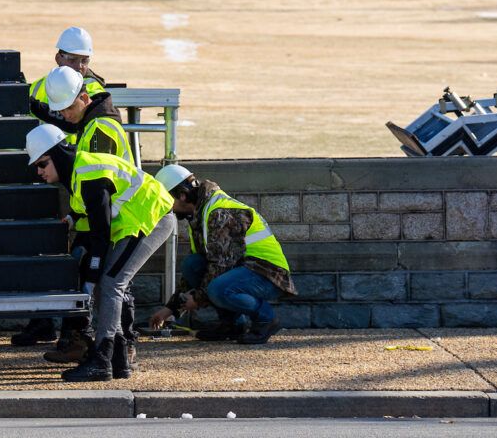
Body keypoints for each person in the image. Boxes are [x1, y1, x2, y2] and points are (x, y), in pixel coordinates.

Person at [25, 123, 176, 381]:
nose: (39, 171)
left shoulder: (87, 174)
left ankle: (102, 359)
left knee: (111, 284)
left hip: (151, 219)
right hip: (140, 222)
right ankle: (117, 360)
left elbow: (101, 233)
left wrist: (92, 274)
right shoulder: (78, 176)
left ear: (57, 156)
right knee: (109, 285)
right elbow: (93, 218)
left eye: (42, 164)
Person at [13, 29, 111, 351]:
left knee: (89, 264)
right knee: (52, 255)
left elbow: (76, 130)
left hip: (78, 182)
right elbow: (61, 123)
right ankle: (47, 322)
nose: (81, 66)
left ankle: (86, 338)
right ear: (59, 57)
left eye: (85, 60)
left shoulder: (92, 92)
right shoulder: (45, 85)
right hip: (53, 176)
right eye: (74, 59)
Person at [37, 66, 140, 365]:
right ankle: (82, 340)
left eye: (69, 108)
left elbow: (99, 189)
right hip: (100, 219)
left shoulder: (100, 129)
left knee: (114, 282)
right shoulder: (89, 124)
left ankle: (124, 344)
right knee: (97, 279)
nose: (65, 115)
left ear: (84, 98)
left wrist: (88, 228)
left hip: (117, 220)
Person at [148, 166, 295, 345]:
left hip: (268, 274)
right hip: (246, 270)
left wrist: (197, 299)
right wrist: (170, 309)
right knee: (192, 265)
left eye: (167, 201)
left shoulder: (220, 213)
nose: (167, 208)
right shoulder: (200, 213)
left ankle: (266, 319)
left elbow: (219, 267)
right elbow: (201, 269)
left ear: (182, 195)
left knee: (217, 289)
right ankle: (232, 325)